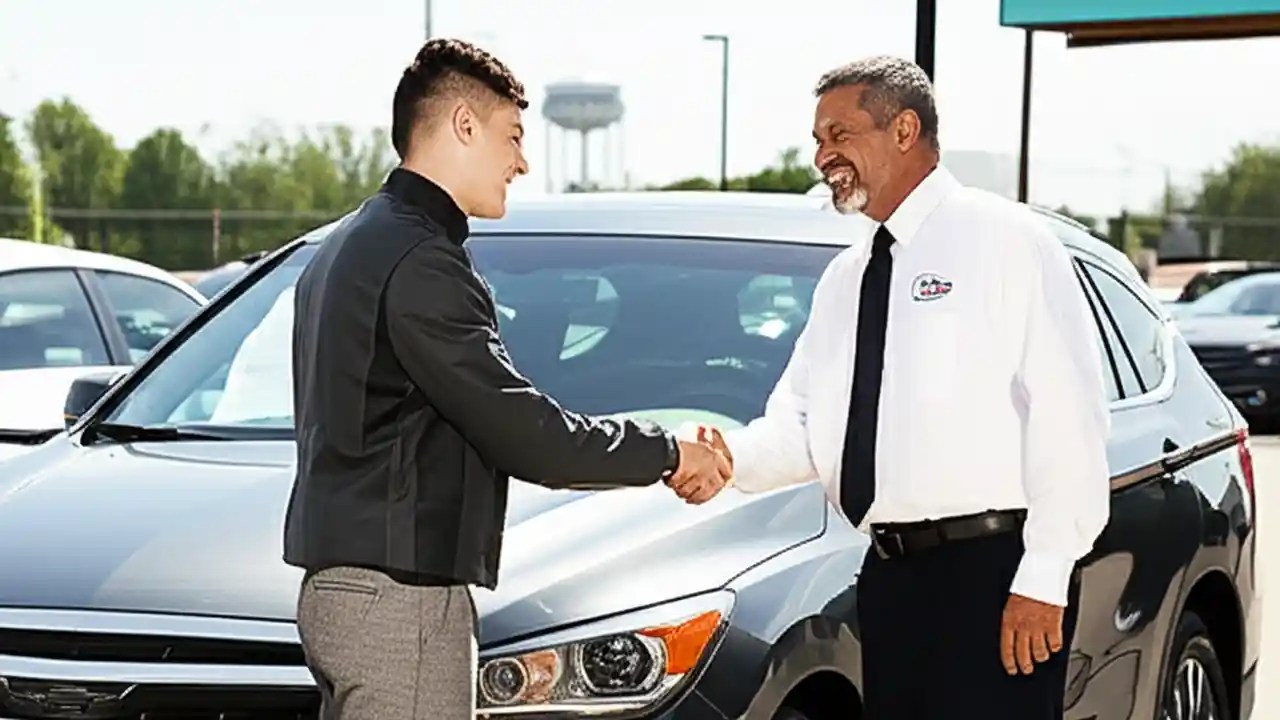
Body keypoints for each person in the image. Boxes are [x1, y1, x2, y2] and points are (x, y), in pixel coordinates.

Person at [283, 38, 730, 720]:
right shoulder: (421, 260)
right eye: (513, 137)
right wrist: (668, 452)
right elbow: (526, 434)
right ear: (464, 125)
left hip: (346, 591)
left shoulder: (344, 245)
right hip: (403, 601)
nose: (521, 162)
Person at [691, 55, 1110, 719]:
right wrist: (727, 458)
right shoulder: (846, 279)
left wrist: (1045, 572)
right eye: (818, 140)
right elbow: (805, 424)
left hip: (995, 577)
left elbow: (1070, 417)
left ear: (905, 130)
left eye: (840, 135)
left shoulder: (1007, 241)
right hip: (887, 580)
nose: (824, 156)